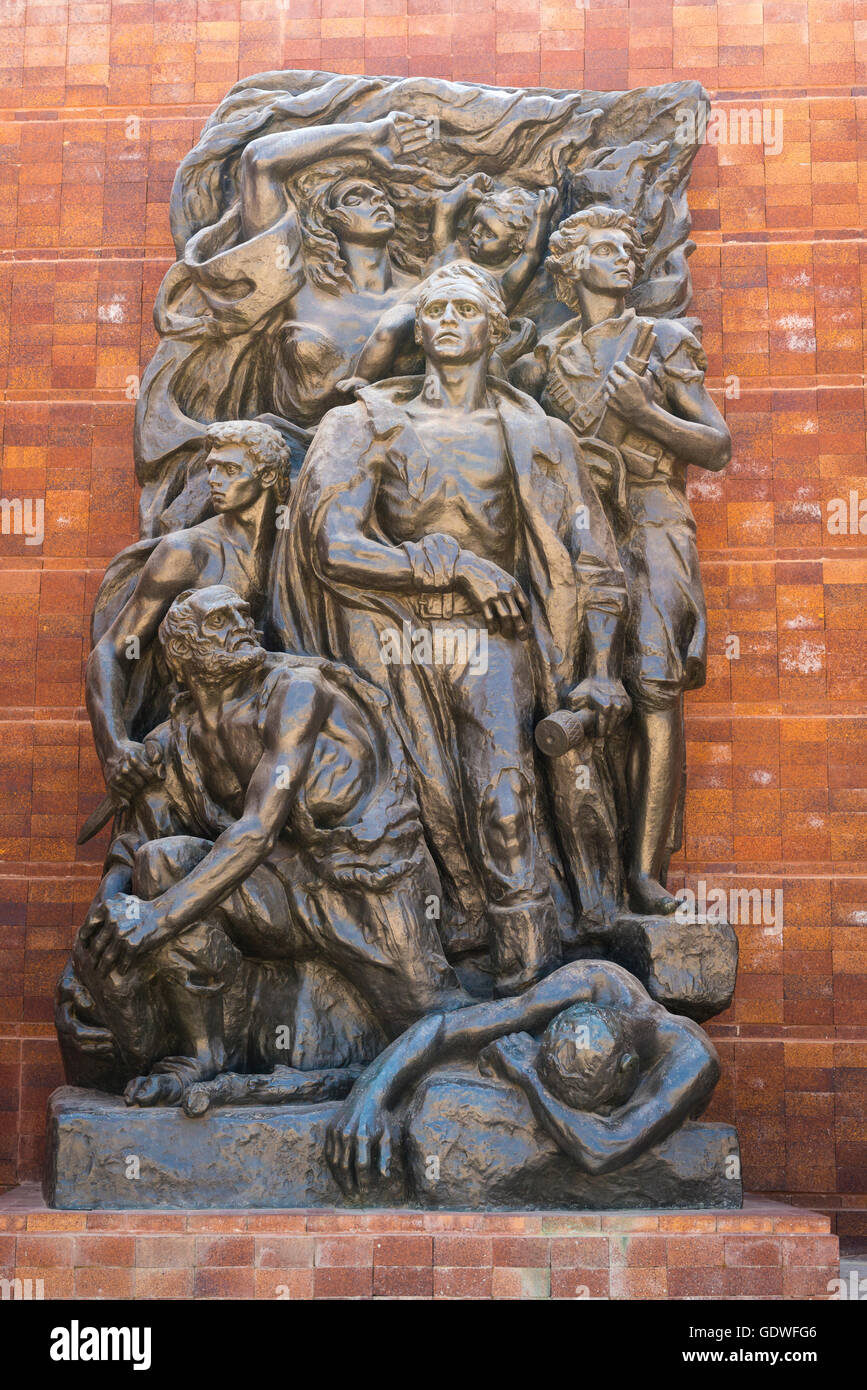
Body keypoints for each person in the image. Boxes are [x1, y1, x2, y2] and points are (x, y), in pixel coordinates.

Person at [271, 259, 631, 994]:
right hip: (389, 632)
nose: (445, 320)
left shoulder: (540, 436)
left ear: (492, 328)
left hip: (491, 636)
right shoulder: (365, 422)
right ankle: (421, 981)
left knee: (503, 801)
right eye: (432, 309)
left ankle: (528, 976)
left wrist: (598, 669)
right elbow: (330, 543)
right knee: (407, 803)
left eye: (464, 308)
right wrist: (451, 566)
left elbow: (593, 562)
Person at [72, 585, 470, 1107]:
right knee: (160, 862)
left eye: (242, 614)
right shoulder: (183, 732)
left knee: (435, 1024)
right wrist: (119, 900)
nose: (242, 625)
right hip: (279, 890)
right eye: (220, 621)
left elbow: (257, 828)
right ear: (183, 650)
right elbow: (142, 836)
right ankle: (202, 1057)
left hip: (365, 888)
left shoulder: (297, 692)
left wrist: (156, 920)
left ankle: (554, 1012)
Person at [513, 206, 731, 915]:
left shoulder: (659, 340)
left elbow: (715, 447)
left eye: (628, 248)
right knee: (572, 689)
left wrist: (645, 414)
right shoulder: (547, 356)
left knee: (655, 689)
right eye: (604, 248)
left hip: (652, 523)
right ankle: (579, 878)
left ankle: (644, 873)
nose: (623, 259)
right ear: (572, 266)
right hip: (576, 535)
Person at [134, 111, 434, 534]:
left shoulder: (428, 292)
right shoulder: (292, 280)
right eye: (357, 198)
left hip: (396, 469)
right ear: (329, 219)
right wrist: (369, 135)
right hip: (290, 463)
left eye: (381, 197)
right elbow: (260, 160)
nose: (377, 202)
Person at [320, 957, 720, 1197]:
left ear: (627, 1070)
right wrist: (370, 1093)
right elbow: (446, 1028)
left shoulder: (692, 1060)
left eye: (585, 1103)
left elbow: (603, 1148)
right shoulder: (593, 983)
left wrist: (527, 1074)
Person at [86, 420, 290, 806]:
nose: (214, 479)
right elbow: (112, 650)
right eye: (211, 467)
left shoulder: (295, 540)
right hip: (201, 734)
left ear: (266, 475)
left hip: (284, 722)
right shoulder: (186, 552)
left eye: (230, 470)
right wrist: (113, 747)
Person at [338, 179, 558, 391]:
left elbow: (532, 254)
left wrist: (541, 217)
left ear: (514, 245)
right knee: (390, 326)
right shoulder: (451, 257)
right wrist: (464, 190)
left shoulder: (505, 284)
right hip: (416, 313)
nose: (475, 234)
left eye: (488, 234)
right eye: (476, 224)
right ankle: (361, 377)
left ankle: (501, 403)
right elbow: (444, 212)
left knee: (491, 365)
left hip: (461, 338)